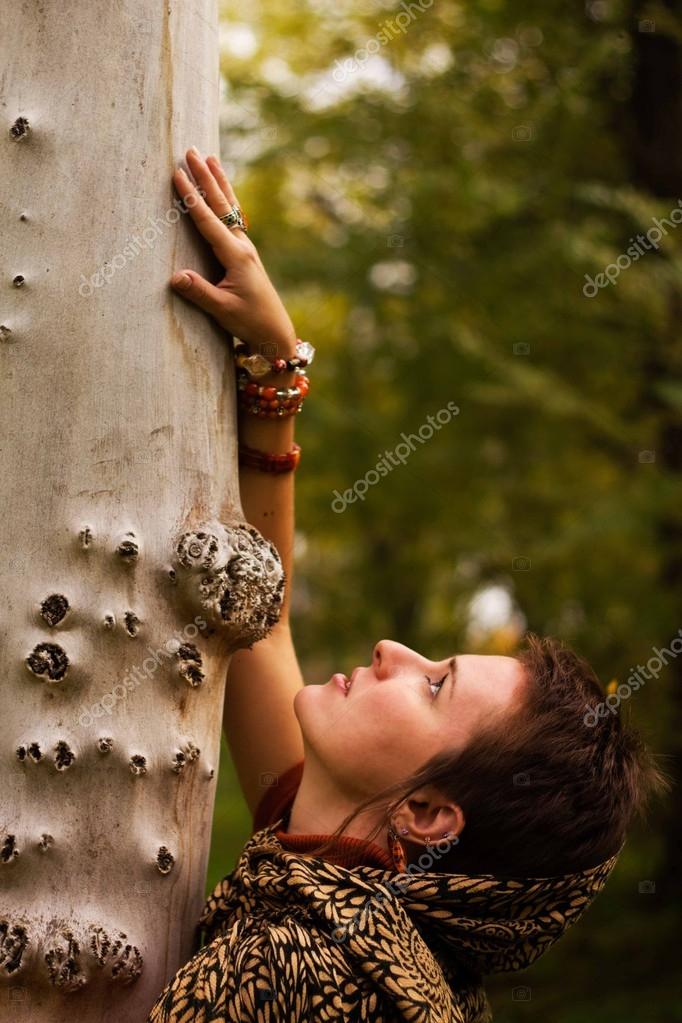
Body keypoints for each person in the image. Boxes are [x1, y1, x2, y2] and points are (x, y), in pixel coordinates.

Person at [146, 148, 668, 1022]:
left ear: (426, 812)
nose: (392, 650)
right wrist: (277, 365)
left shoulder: (309, 971)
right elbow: (260, 620)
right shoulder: (341, 873)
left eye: (434, 685)